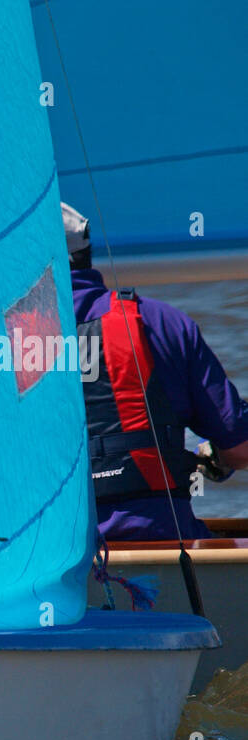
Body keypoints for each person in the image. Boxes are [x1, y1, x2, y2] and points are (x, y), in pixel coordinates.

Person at [63, 201, 248, 540]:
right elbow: (240, 449)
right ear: (87, 252)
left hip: (40, 558)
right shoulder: (164, 323)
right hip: (157, 543)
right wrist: (214, 456)